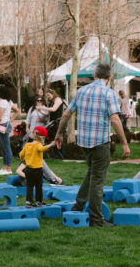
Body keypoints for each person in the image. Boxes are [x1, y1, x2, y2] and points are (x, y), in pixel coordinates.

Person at [54, 63, 130, 227]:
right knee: (97, 181)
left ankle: (78, 206)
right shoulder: (109, 93)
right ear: (109, 78)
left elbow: (67, 113)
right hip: (100, 142)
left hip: (84, 143)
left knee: (92, 173)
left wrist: (59, 134)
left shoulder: (81, 91)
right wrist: (125, 143)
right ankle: (96, 219)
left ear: (94, 75)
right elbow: (115, 119)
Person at [19, 125, 56, 207]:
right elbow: (42, 149)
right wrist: (51, 145)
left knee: (29, 186)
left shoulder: (27, 145)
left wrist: (23, 159)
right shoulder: (38, 145)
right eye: (44, 138)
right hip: (37, 170)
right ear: (41, 138)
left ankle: (28, 202)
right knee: (38, 186)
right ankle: (39, 201)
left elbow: (21, 154)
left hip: (28, 169)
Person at [0, 86, 15, 175]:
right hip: (5, 124)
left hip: (2, 125)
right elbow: (17, 111)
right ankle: (5, 168)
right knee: (4, 148)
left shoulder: (2, 102)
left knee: (6, 147)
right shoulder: (9, 102)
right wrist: (10, 120)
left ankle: (8, 169)